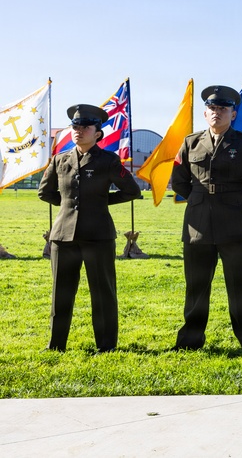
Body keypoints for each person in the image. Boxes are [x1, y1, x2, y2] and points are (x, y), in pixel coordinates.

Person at [171, 85, 242, 355]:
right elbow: (178, 181)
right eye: (212, 108)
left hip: (234, 224)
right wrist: (197, 200)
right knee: (196, 286)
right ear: (205, 113)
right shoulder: (190, 142)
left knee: (240, 286)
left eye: (223, 109)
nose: (217, 113)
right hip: (198, 225)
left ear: (233, 113)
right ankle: (190, 342)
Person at [38, 104, 141, 352]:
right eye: (75, 126)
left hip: (98, 236)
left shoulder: (108, 160)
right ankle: (56, 345)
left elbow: (132, 191)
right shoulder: (60, 159)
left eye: (85, 127)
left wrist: (101, 201)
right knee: (60, 293)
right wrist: (68, 206)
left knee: (103, 293)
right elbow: (44, 192)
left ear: (98, 133)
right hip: (64, 236)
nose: (79, 130)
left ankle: (106, 346)